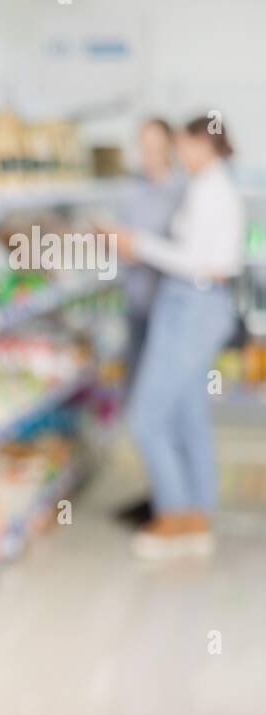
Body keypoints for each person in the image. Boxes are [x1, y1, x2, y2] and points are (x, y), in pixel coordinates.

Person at [114, 115, 245, 559]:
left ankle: (172, 515)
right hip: (194, 304)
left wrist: (139, 244)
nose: (178, 154)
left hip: (191, 304)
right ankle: (196, 514)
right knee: (189, 413)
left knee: (146, 416)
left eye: (183, 145)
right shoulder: (208, 186)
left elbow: (194, 260)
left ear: (202, 146)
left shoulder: (210, 191)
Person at [114, 118, 184, 527]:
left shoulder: (181, 193)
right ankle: (159, 494)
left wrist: (138, 245)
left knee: (157, 412)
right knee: (139, 404)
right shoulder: (134, 193)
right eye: (141, 145)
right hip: (137, 309)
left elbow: (185, 254)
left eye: (154, 145)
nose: (147, 153)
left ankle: (172, 505)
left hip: (167, 317)